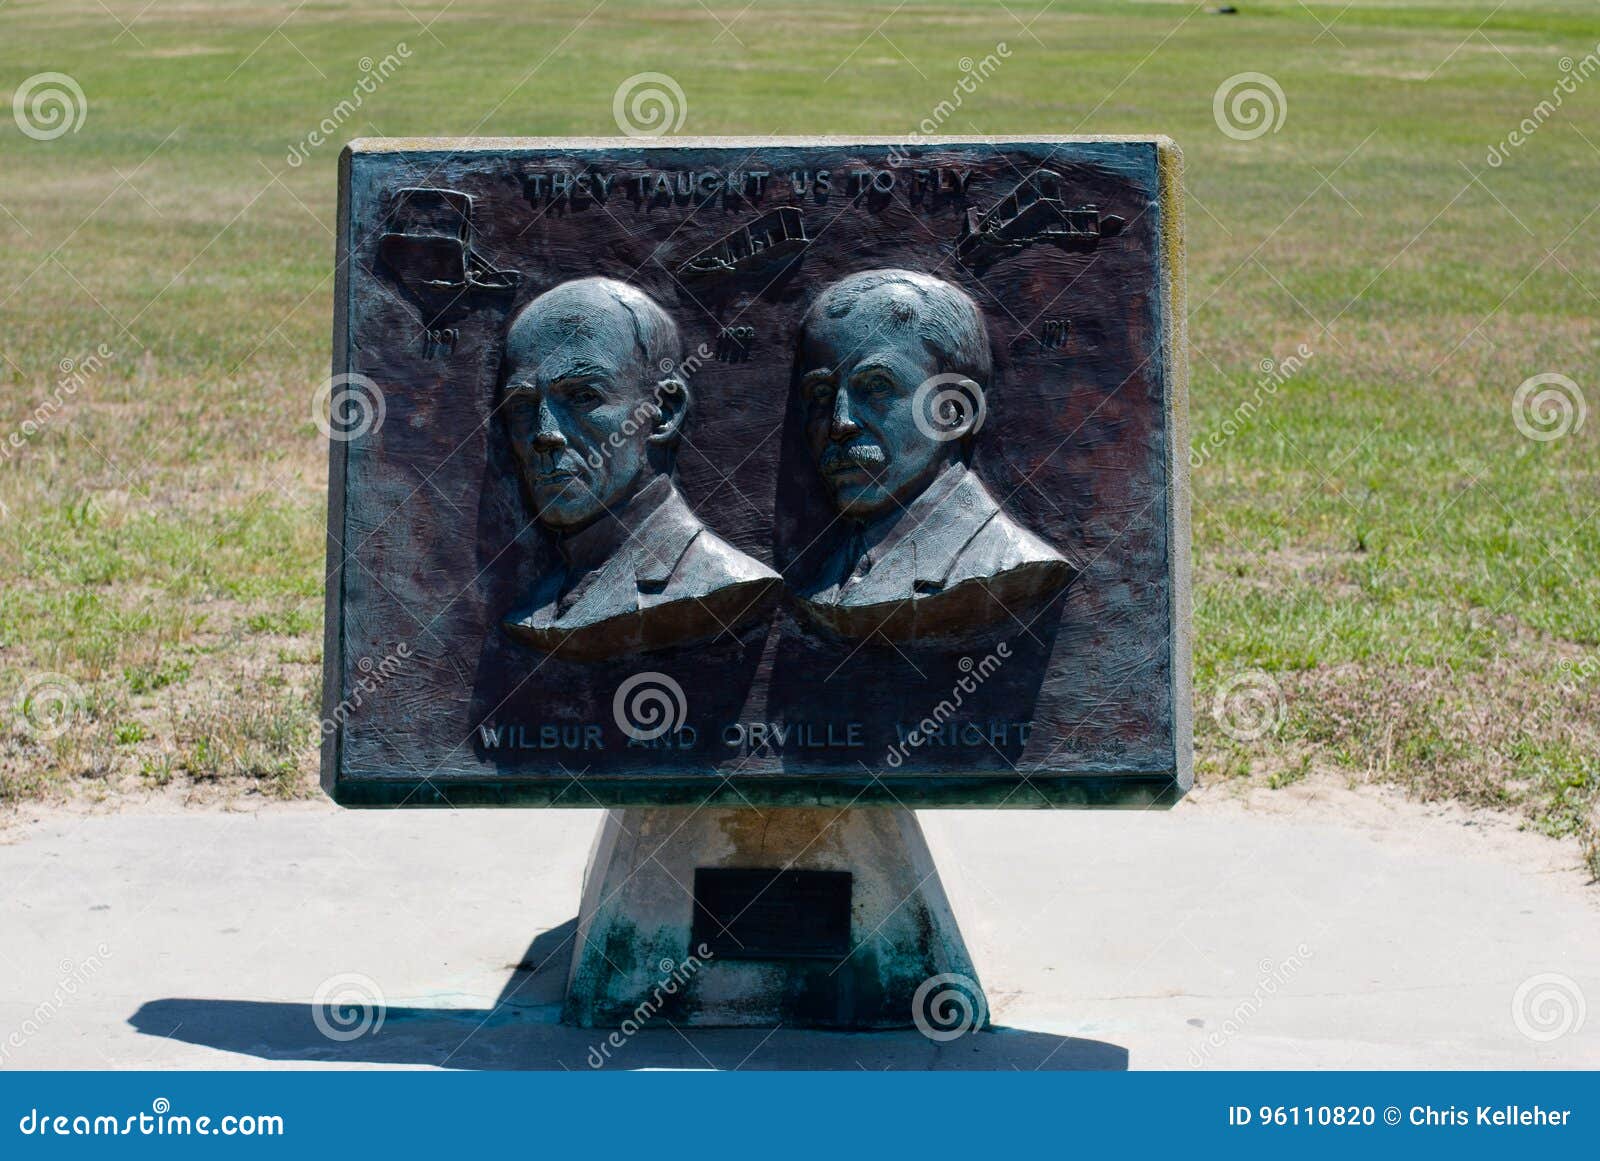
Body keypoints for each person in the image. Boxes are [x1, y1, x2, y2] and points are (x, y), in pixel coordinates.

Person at [499, 278, 778, 660]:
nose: (545, 434)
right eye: (523, 405)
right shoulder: (537, 606)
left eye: (583, 396)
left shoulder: (720, 582)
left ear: (662, 413)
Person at [792, 269, 1075, 640]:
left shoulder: (1006, 563)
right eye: (821, 394)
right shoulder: (826, 577)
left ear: (955, 411)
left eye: (876, 386)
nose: (839, 423)